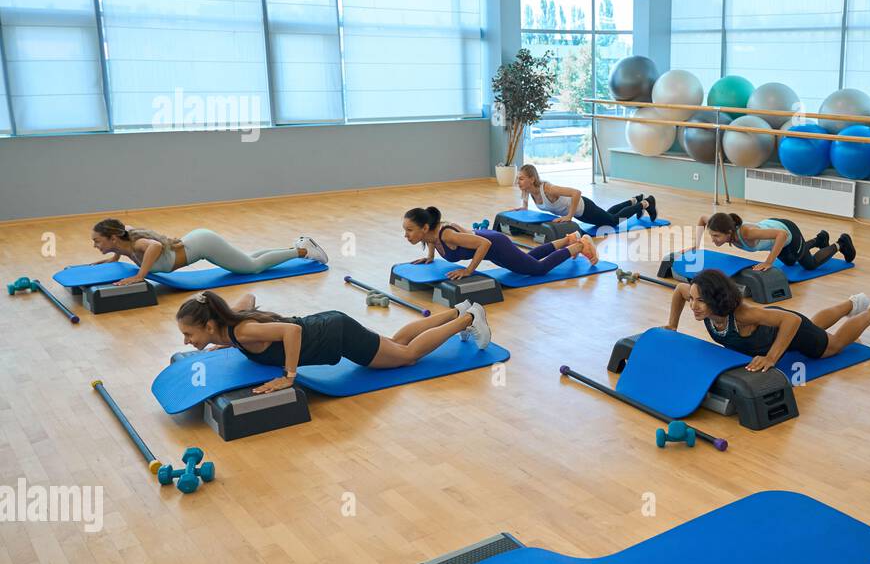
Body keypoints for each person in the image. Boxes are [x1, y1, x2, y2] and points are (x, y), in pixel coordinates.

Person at [175, 290, 491, 395]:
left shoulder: (242, 332)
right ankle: (457, 310)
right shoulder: (234, 326)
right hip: (331, 324)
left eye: (190, 334)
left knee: (406, 356)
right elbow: (248, 297)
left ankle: (470, 319)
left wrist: (288, 377)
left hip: (337, 337)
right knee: (395, 342)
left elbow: (291, 332)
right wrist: (222, 341)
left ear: (210, 324)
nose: (188, 341)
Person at [664, 268, 870, 372]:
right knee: (814, 325)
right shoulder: (698, 301)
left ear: (716, 299)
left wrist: (772, 357)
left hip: (788, 330)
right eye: (692, 299)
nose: (693, 305)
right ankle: (853, 303)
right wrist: (672, 324)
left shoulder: (742, 315)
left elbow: (791, 322)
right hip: (773, 326)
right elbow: (679, 291)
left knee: (833, 346)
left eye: (700, 301)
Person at [84, 218, 327, 287]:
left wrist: (140, 275)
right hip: (199, 240)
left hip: (202, 245)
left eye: (97, 241)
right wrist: (113, 255)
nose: (95, 245)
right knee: (248, 260)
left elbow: (155, 246)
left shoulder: (137, 245)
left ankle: (303, 250)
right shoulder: (123, 241)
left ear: (113, 238)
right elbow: (125, 230)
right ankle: (296, 246)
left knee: (252, 268)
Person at [402, 206, 597, 279]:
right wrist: (429, 256)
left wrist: (468, 270)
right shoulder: (431, 235)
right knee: (525, 261)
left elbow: (483, 244)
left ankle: (579, 245)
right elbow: (431, 241)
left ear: (425, 227)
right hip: (490, 243)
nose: (406, 235)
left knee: (537, 269)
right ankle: (568, 239)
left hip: (494, 244)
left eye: (409, 230)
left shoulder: (447, 236)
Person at [694, 212, 855, 273]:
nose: (713, 239)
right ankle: (819, 239)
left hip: (787, 231)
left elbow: (782, 235)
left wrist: (769, 261)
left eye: (716, 236)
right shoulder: (720, 223)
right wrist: (696, 244)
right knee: (791, 261)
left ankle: (841, 243)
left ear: (729, 233)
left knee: (809, 264)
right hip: (772, 228)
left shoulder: (747, 233)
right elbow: (702, 218)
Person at [514, 164, 656, 229]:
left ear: (532, 179)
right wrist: (523, 207)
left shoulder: (549, 189)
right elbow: (525, 199)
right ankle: (635, 200)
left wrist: (569, 216)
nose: (518, 182)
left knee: (612, 221)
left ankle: (646, 203)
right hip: (580, 213)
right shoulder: (527, 190)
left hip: (584, 208)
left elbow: (576, 193)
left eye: (521, 179)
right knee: (607, 215)